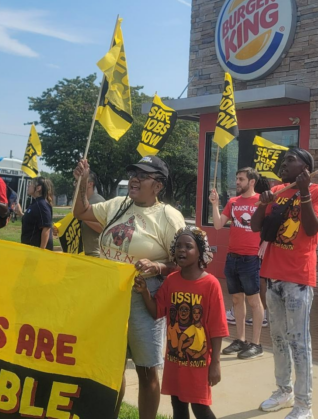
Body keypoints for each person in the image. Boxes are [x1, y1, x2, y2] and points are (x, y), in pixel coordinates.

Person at [73, 155, 185, 419]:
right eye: (134, 173)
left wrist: (157, 267)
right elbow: (80, 212)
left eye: (143, 175)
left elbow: (185, 262)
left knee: (147, 371)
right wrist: (81, 181)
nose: (134, 179)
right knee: (112, 367)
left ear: (158, 185)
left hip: (143, 298)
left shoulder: (169, 217)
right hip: (109, 298)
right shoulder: (118, 205)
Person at [250, 148, 318, 419]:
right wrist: (263, 203)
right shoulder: (279, 190)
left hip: (298, 278)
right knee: (278, 338)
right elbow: (255, 228)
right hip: (272, 274)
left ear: (306, 167)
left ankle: (303, 405)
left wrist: (305, 191)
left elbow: (310, 228)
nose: (283, 164)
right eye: (283, 160)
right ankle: (282, 391)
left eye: (290, 160)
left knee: (299, 341)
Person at [135, 226, 226, 419]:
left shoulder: (211, 285)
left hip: (199, 364)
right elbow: (156, 312)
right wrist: (144, 292)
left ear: (200, 251)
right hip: (175, 362)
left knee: (200, 408)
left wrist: (215, 363)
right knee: (178, 405)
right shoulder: (171, 281)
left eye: (188, 246)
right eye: (178, 246)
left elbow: (218, 328)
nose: (182, 250)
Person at [210, 167, 264, 360]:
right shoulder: (233, 202)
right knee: (236, 299)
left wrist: (265, 244)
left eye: (240, 179)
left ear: (251, 182)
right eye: (236, 179)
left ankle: (256, 344)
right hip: (232, 257)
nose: (237, 182)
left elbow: (270, 225)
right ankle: (240, 339)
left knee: (253, 301)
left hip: (250, 258)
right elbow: (217, 225)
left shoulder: (261, 201)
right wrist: (215, 205)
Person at [20, 176, 54, 250]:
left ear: (38, 188)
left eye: (31, 183)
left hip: (36, 251)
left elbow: (46, 228)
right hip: (29, 249)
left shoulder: (42, 204)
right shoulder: (36, 203)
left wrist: (41, 251)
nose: (28, 185)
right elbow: (33, 222)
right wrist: (20, 214)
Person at [80, 171, 106, 257]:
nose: (77, 183)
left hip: (96, 253)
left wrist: (83, 217)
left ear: (90, 184)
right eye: (76, 181)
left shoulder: (99, 202)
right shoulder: (80, 203)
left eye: (81, 180)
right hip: (83, 252)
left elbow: (105, 229)